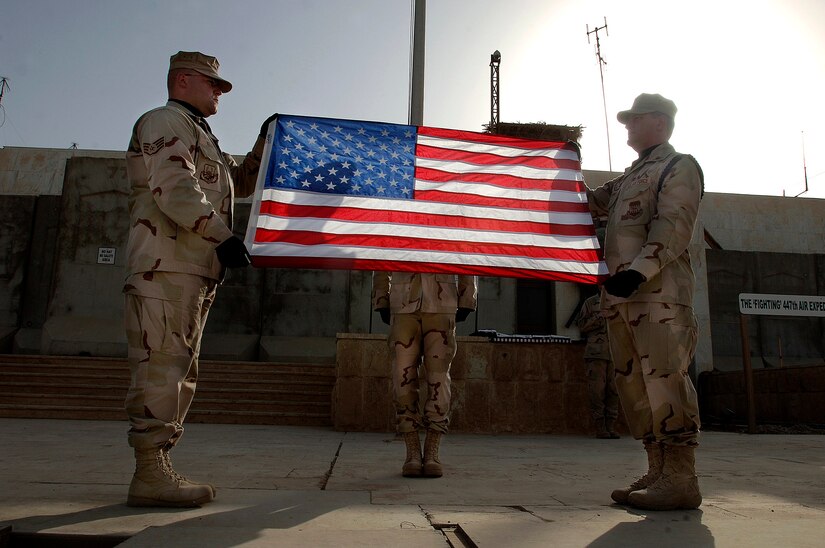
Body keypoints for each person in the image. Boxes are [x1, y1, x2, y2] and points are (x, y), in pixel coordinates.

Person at [123, 51, 275, 507]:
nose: (219, 93)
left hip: (191, 270)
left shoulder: (201, 135)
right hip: (164, 266)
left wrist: (265, 145)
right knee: (162, 366)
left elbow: (237, 183)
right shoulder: (164, 122)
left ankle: (157, 466)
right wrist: (222, 235)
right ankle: (149, 472)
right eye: (214, 85)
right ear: (184, 80)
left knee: (179, 369)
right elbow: (174, 185)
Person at [586, 93, 704, 511]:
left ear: (659, 122)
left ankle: (681, 477)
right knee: (634, 385)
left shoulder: (678, 166)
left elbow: (674, 224)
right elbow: (586, 201)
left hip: (659, 297)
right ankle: (657, 469)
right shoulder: (627, 179)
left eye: (635, 120)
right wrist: (557, 163)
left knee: (665, 379)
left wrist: (639, 270)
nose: (628, 127)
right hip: (621, 302)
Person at [373, 272, 477, 478]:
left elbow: (466, 248)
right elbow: (382, 254)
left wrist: (467, 297)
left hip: (442, 302)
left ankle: (432, 452)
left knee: (439, 379)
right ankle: (412, 452)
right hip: (403, 303)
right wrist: (381, 297)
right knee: (402, 378)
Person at [575, 291, 620, 439]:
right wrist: (599, 316)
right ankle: (600, 426)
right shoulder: (591, 303)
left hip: (615, 352)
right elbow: (581, 325)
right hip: (596, 353)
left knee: (614, 389)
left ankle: (611, 425)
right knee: (597, 390)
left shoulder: (619, 300)